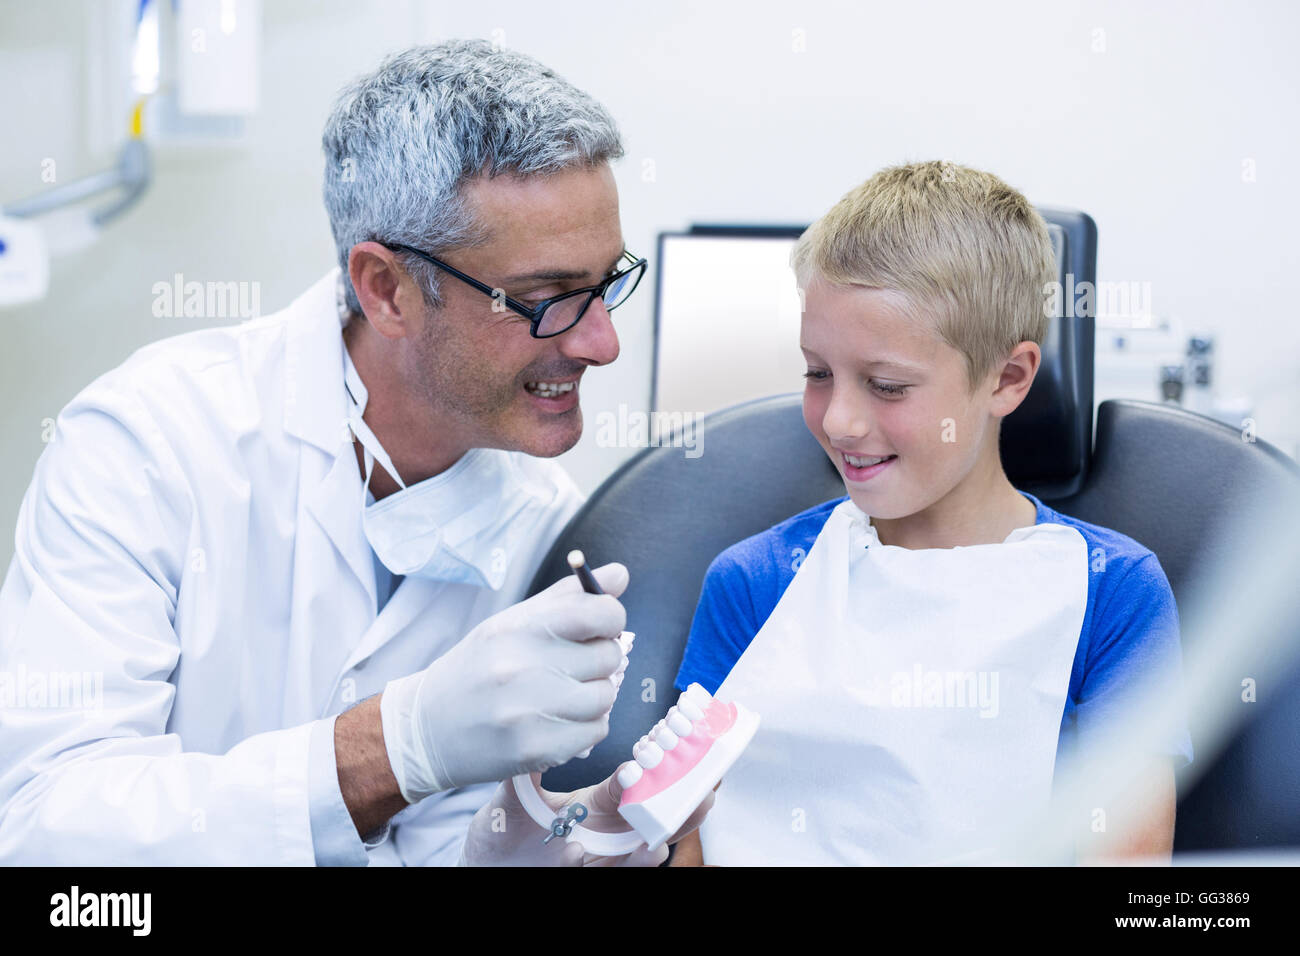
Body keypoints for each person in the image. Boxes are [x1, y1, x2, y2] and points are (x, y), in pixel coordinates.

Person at [0, 40, 709, 866]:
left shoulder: (545, 520)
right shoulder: (150, 446)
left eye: (607, 283)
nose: (603, 342)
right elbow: (43, 829)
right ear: (386, 289)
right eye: (549, 299)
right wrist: (390, 747)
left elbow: (442, 851)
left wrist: (569, 838)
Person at [669, 161, 1192, 866]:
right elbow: (689, 839)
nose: (841, 421)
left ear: (1007, 378)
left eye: (886, 386)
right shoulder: (757, 584)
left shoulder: (1112, 592)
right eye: (816, 374)